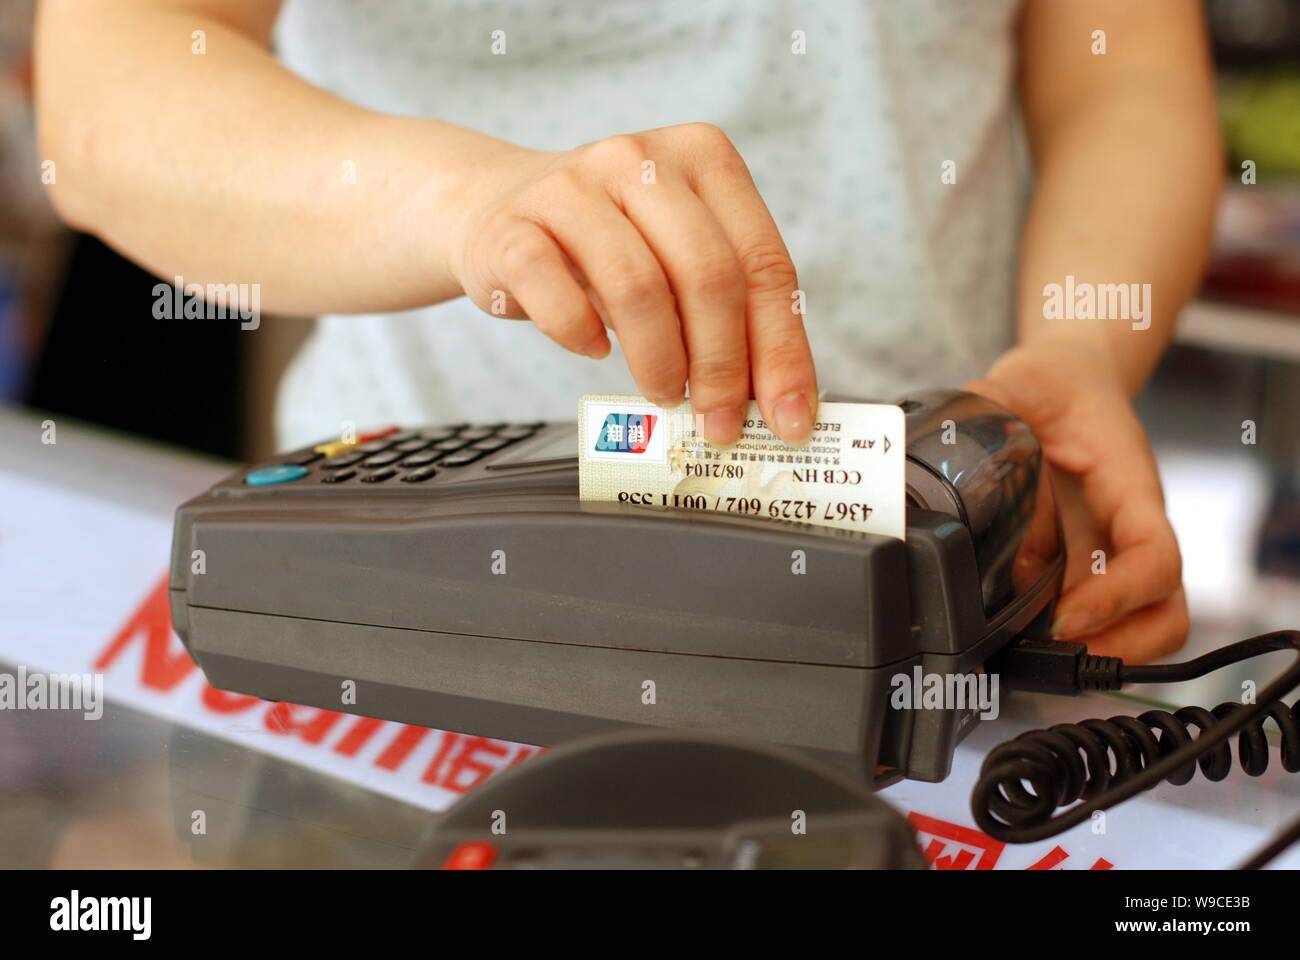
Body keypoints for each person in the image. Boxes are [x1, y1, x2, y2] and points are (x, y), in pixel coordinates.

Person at [34, 0, 1222, 662]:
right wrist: (465, 204)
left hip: (945, 600)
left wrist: (1076, 348)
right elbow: (110, 69)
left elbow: (1122, 77)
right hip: (423, 631)